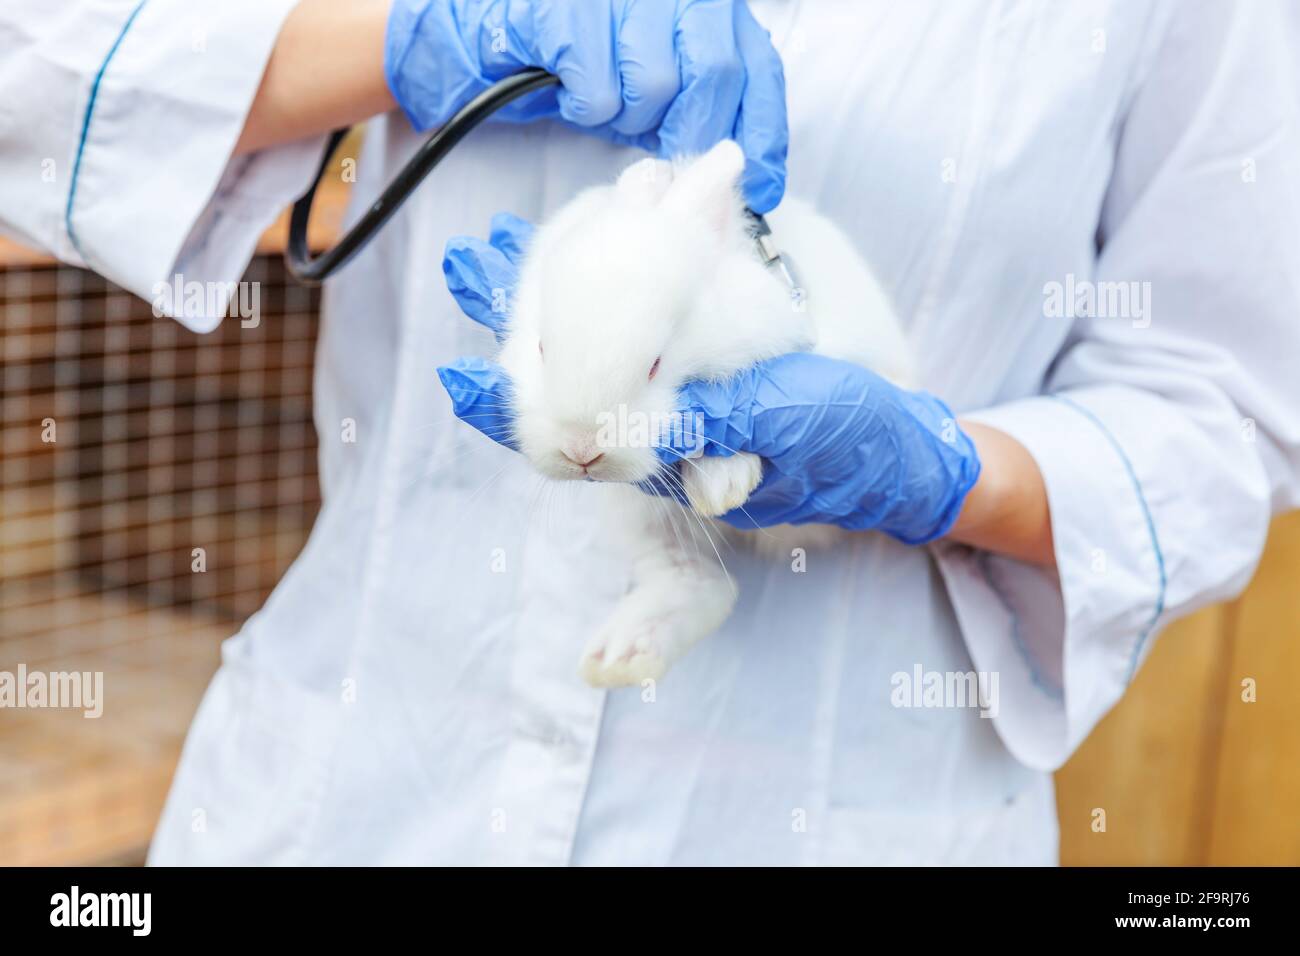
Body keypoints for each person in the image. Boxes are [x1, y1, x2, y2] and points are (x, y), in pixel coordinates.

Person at [2, 0, 1296, 865]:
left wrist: (944, 474)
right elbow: (38, 65)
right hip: (362, 783)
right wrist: (404, 30)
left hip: (838, 812)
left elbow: (1220, 403)